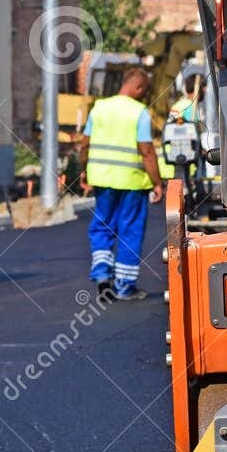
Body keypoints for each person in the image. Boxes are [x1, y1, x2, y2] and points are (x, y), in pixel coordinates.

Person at [81, 67, 163, 302]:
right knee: (130, 231)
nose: (143, 94)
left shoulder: (99, 108)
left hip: (102, 180)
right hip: (132, 183)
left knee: (102, 227)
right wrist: (157, 183)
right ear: (137, 87)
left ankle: (101, 275)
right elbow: (146, 151)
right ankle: (125, 287)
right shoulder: (139, 113)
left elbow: (84, 144)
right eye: (144, 90)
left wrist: (84, 172)